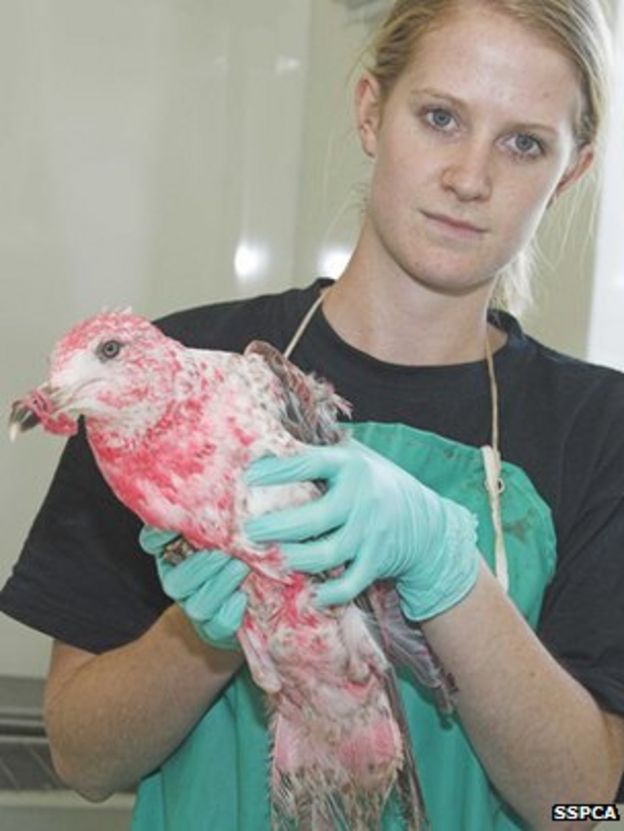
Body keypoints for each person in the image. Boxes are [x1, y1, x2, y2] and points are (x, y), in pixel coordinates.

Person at [1, 0, 623, 828]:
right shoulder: (154, 381)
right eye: (440, 117)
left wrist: (446, 568)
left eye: (525, 144)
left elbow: (589, 808)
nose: (470, 178)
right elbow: (82, 758)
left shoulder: (602, 429)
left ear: (571, 172)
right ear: (370, 112)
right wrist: (206, 632)